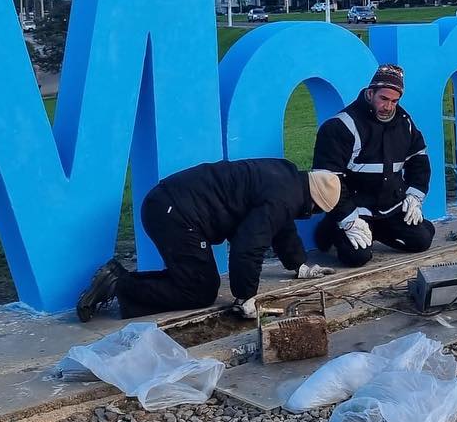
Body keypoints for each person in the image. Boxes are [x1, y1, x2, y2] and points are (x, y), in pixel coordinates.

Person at [75, 159, 339, 322]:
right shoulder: (284, 198)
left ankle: (120, 283)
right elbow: (248, 247)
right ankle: (119, 284)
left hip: (169, 204)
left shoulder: (286, 180)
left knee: (195, 281)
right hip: (175, 215)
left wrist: (300, 266)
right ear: (313, 205)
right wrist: (245, 296)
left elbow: (280, 226)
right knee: (199, 290)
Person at [312, 63, 434, 266]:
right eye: (383, 99)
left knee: (421, 240)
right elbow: (326, 179)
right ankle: (332, 229)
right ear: (370, 94)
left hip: (390, 208)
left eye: (395, 101)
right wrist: (347, 219)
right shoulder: (339, 126)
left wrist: (414, 196)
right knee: (357, 258)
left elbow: (419, 160)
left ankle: (377, 231)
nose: (388, 107)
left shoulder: (405, 123)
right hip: (354, 209)